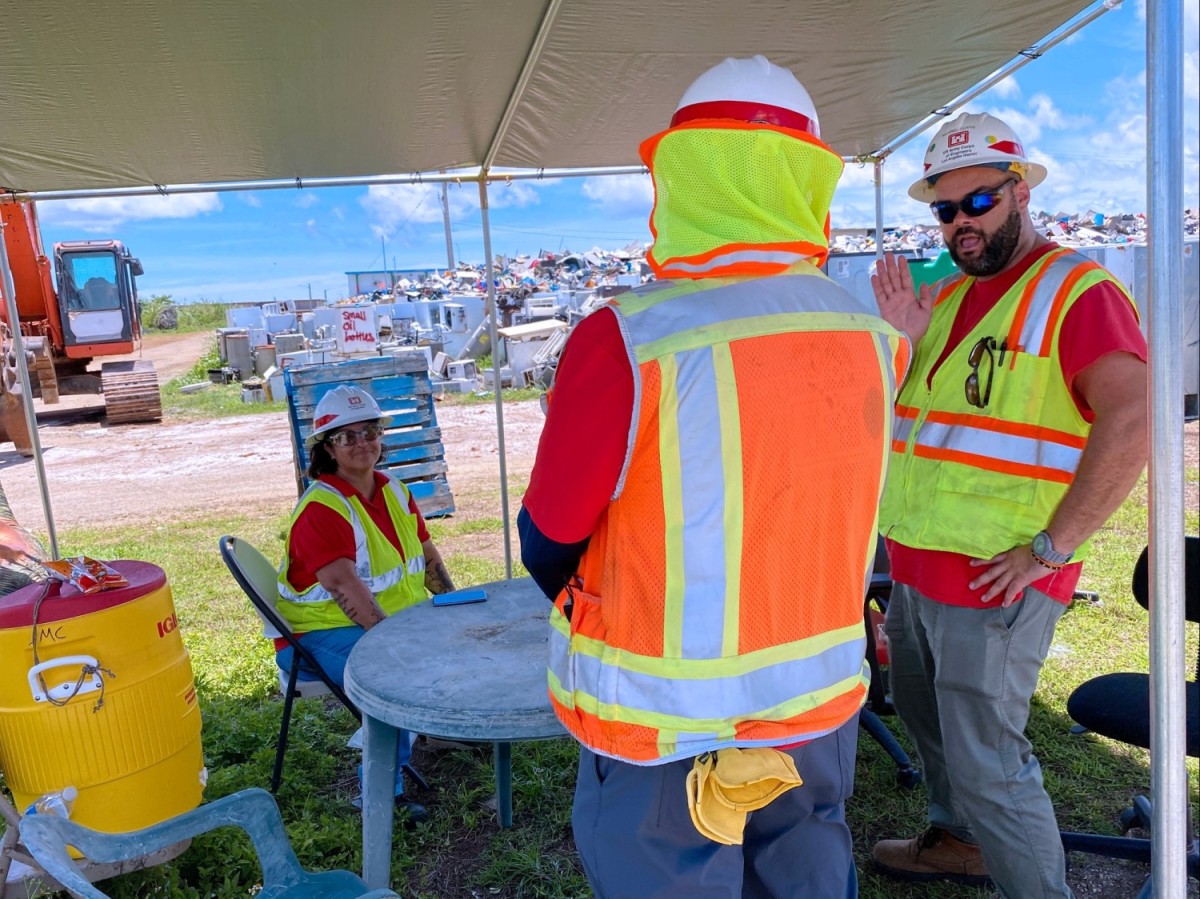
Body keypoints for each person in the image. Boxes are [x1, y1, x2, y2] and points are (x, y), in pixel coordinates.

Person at [519, 55, 909, 898]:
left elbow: (547, 541)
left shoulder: (628, 340)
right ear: (810, 179)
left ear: (680, 175)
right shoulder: (873, 337)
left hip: (662, 732)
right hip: (817, 708)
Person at [869, 111, 1148, 897]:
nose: (961, 223)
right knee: (933, 732)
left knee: (990, 763)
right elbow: (932, 421)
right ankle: (958, 843)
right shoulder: (954, 299)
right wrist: (907, 339)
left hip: (999, 575)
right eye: (945, 209)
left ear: (1019, 191)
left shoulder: (1077, 291)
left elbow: (1133, 418)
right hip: (920, 567)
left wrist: (1052, 549)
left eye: (979, 201)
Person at [276, 384, 456, 824]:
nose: (362, 443)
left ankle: (443, 727)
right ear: (327, 449)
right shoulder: (323, 507)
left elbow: (428, 557)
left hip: (388, 622)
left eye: (369, 430)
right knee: (388, 682)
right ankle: (380, 800)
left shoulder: (393, 488)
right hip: (320, 634)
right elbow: (345, 589)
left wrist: (455, 607)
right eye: (346, 436)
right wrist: (396, 643)